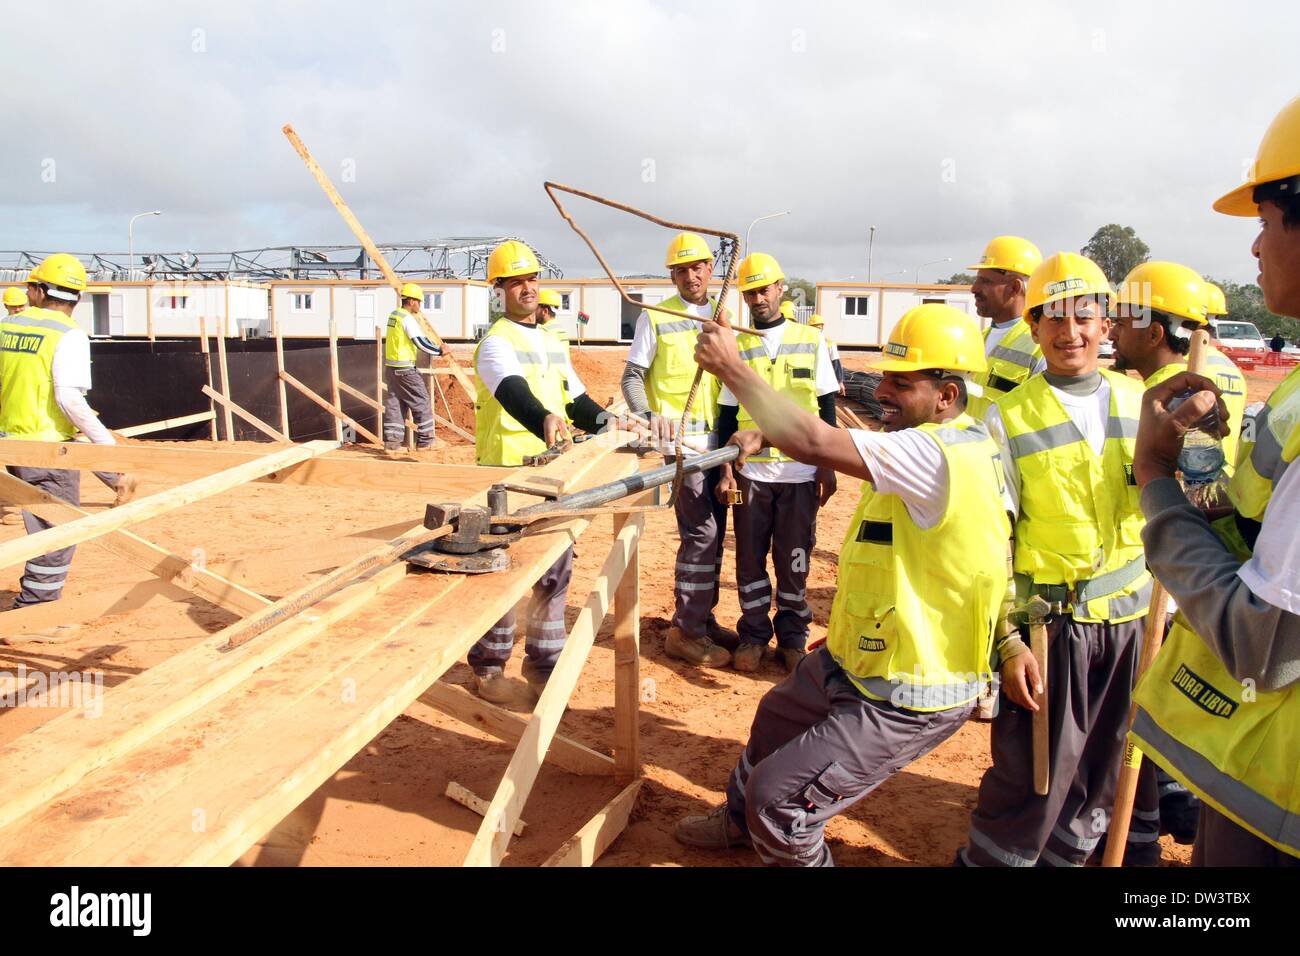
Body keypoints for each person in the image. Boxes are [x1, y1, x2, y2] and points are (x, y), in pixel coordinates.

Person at [674, 304, 1011, 865]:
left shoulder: (934, 454)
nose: (881, 390)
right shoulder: (938, 442)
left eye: (901, 382)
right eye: (884, 375)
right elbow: (818, 437)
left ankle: (767, 827)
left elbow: (814, 439)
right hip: (862, 658)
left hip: (909, 689)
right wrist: (771, 432)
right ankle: (738, 823)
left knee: (779, 801)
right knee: (775, 717)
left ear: (947, 394)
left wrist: (733, 368)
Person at [1130, 94, 1300, 866]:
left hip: (1276, 800)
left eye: (1264, 221)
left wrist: (1156, 478)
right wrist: (1203, 462)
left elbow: (1261, 640)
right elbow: (1262, 538)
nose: (1256, 250)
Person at [958, 252, 1151, 867]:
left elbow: (1196, 504)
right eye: (1053, 319)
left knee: (1103, 776)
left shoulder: (1142, 400)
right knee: (1033, 779)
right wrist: (1009, 641)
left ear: (1106, 325)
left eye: (1083, 316)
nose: (1070, 333)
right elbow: (994, 545)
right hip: (1051, 628)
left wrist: (1198, 447)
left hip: (1132, 627)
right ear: (1034, 328)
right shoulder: (1006, 418)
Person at [467, 240, 620, 705]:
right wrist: (546, 421)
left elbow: (574, 399)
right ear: (500, 290)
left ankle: (543, 668)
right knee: (502, 573)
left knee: (555, 570)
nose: (527, 288)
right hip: (507, 477)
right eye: (515, 282)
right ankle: (490, 670)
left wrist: (610, 423)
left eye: (531, 279)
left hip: (553, 474)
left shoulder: (553, 342)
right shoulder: (495, 343)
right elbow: (514, 393)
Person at [620, 232, 738, 668]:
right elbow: (631, 376)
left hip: (720, 442)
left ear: (710, 269)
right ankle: (685, 632)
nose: (692, 276)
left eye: (699, 267)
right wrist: (650, 418)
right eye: (683, 269)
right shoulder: (657, 316)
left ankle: (702, 618)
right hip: (683, 444)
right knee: (700, 534)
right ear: (672, 274)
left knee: (716, 534)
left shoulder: (726, 315)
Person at [717, 253, 838, 673]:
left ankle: (792, 637)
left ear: (781, 288)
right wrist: (725, 466)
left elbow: (826, 406)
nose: (757, 299)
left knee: (794, 559)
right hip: (752, 474)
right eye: (749, 292)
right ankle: (752, 635)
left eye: (764, 289)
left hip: (800, 472)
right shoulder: (738, 346)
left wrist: (828, 464)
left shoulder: (810, 338)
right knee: (749, 560)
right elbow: (725, 416)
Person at [1, 254, 134, 620]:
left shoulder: (7, 327)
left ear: (39, 291)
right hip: (47, 449)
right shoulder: (68, 334)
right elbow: (69, 397)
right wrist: (108, 450)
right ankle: (35, 613)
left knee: (41, 525)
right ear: (77, 298)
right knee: (57, 533)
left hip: (10, 441)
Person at [1111, 261, 1247, 475]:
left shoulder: (1156, 400)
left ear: (1154, 334)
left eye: (1120, 324)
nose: (1111, 334)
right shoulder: (1183, 384)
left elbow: (1146, 476)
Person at [965, 235, 1045, 419]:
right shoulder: (978, 340)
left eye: (985, 281)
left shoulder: (1041, 347)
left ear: (1015, 288)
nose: (974, 288)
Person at [382, 282, 441, 451]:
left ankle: (392, 445)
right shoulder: (407, 318)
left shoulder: (394, 315)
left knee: (396, 404)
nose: (420, 306)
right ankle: (426, 441)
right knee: (421, 401)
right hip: (405, 369)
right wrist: (440, 351)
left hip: (392, 368)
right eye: (419, 302)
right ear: (413, 301)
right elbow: (420, 342)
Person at [807, 313, 845, 395]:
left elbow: (836, 363)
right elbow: (836, 363)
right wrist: (839, 381)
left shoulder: (828, 343)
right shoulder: (829, 343)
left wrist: (840, 381)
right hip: (820, 383)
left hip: (817, 382)